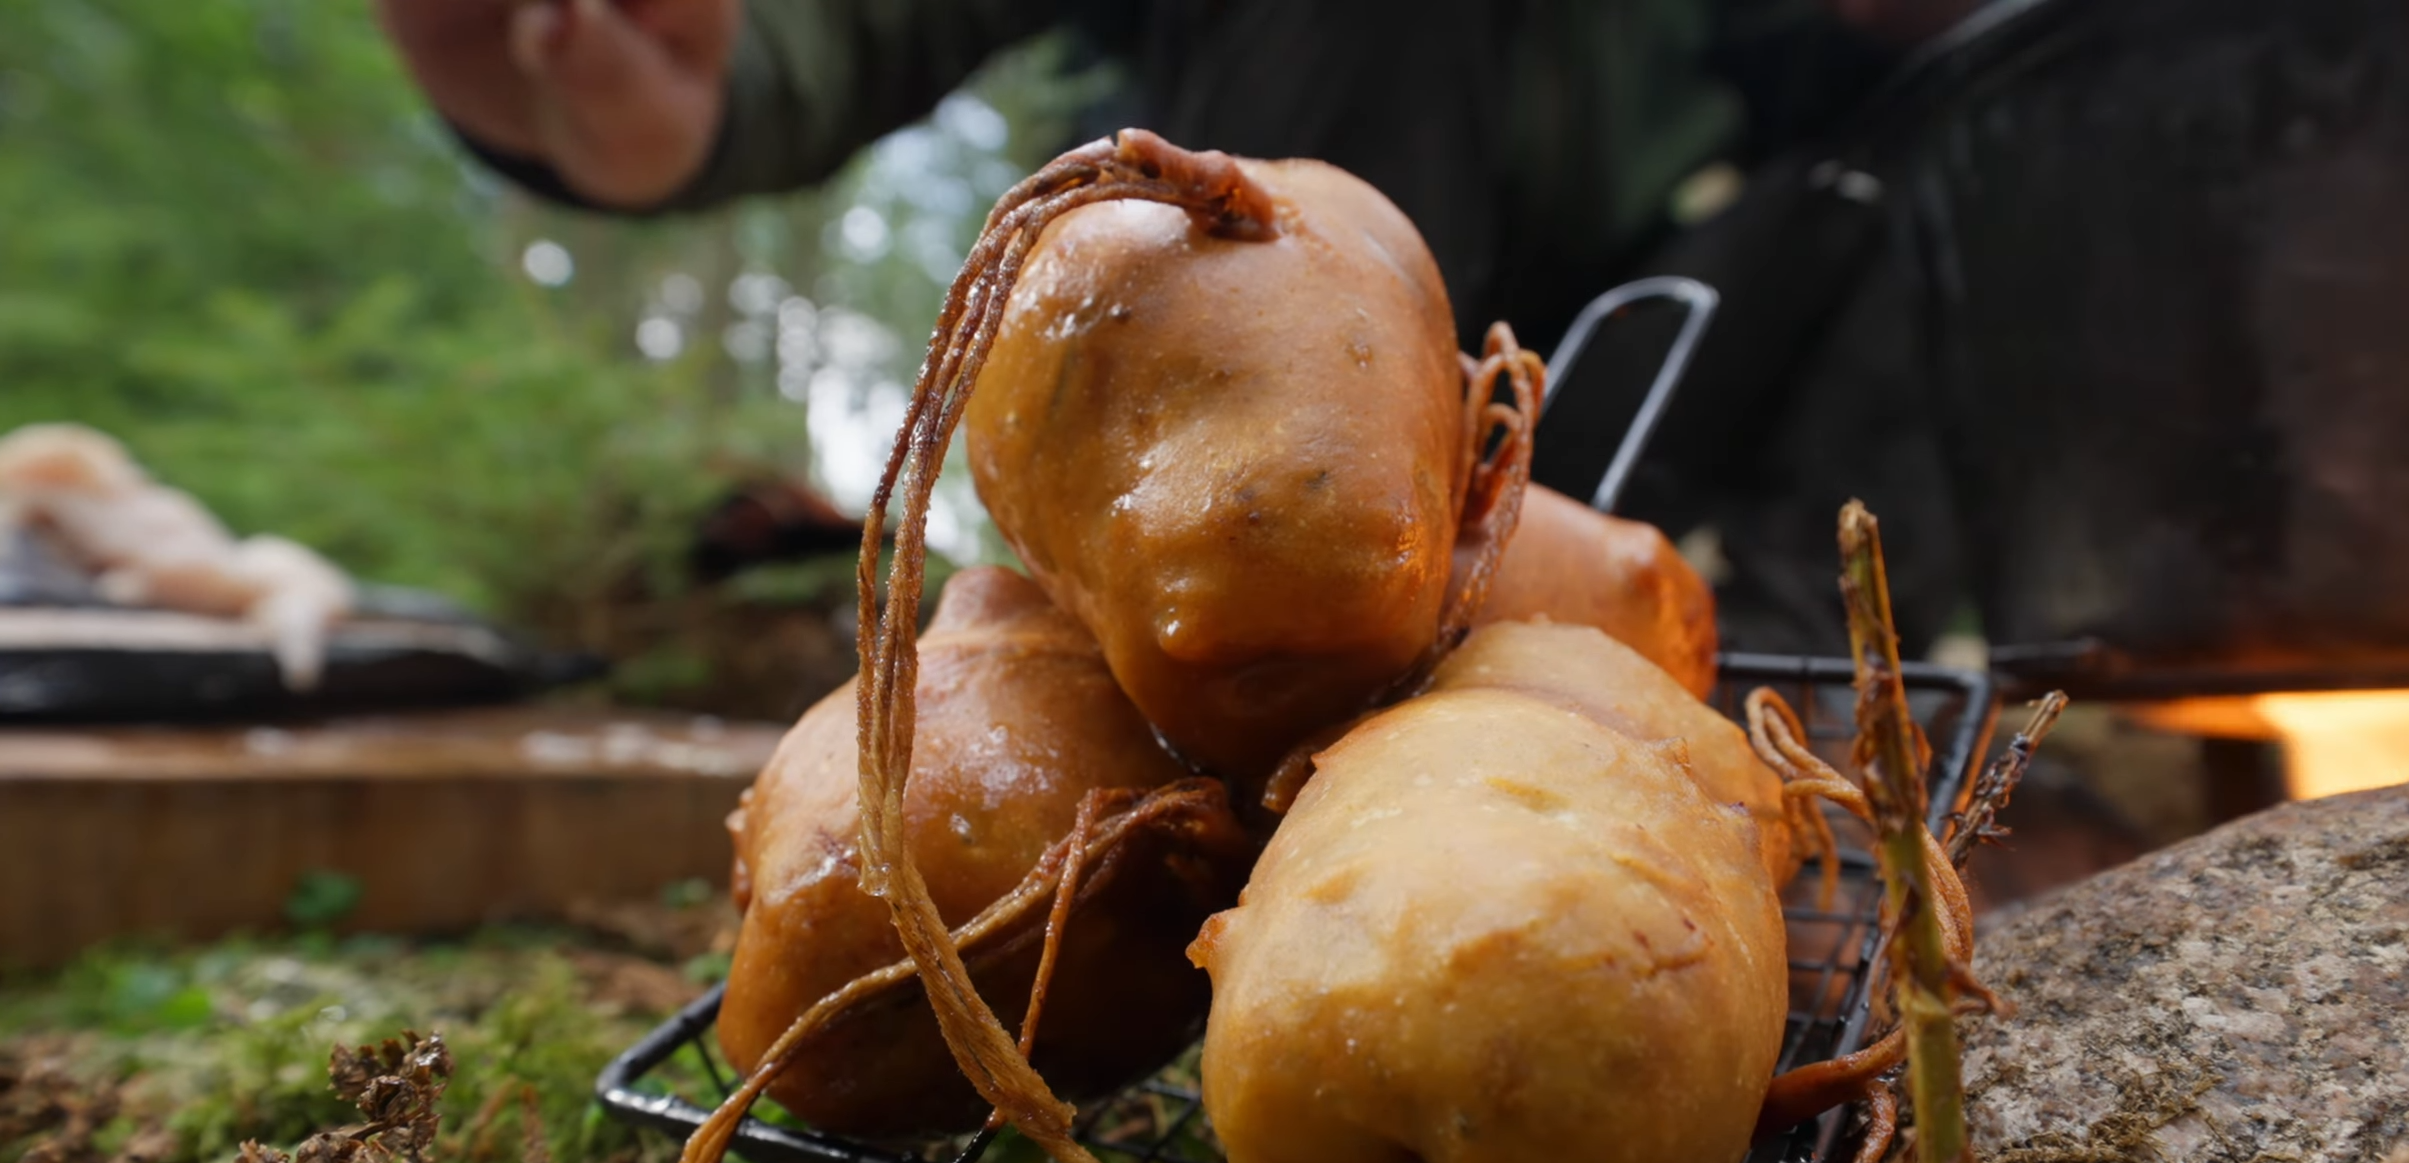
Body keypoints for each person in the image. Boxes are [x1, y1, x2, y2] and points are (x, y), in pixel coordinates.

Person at [376, 0, 1979, 649]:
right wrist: (682, 104)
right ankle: (1272, 652)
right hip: (1246, 344)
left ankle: (1819, 689)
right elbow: (829, 37)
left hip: (1642, 345)